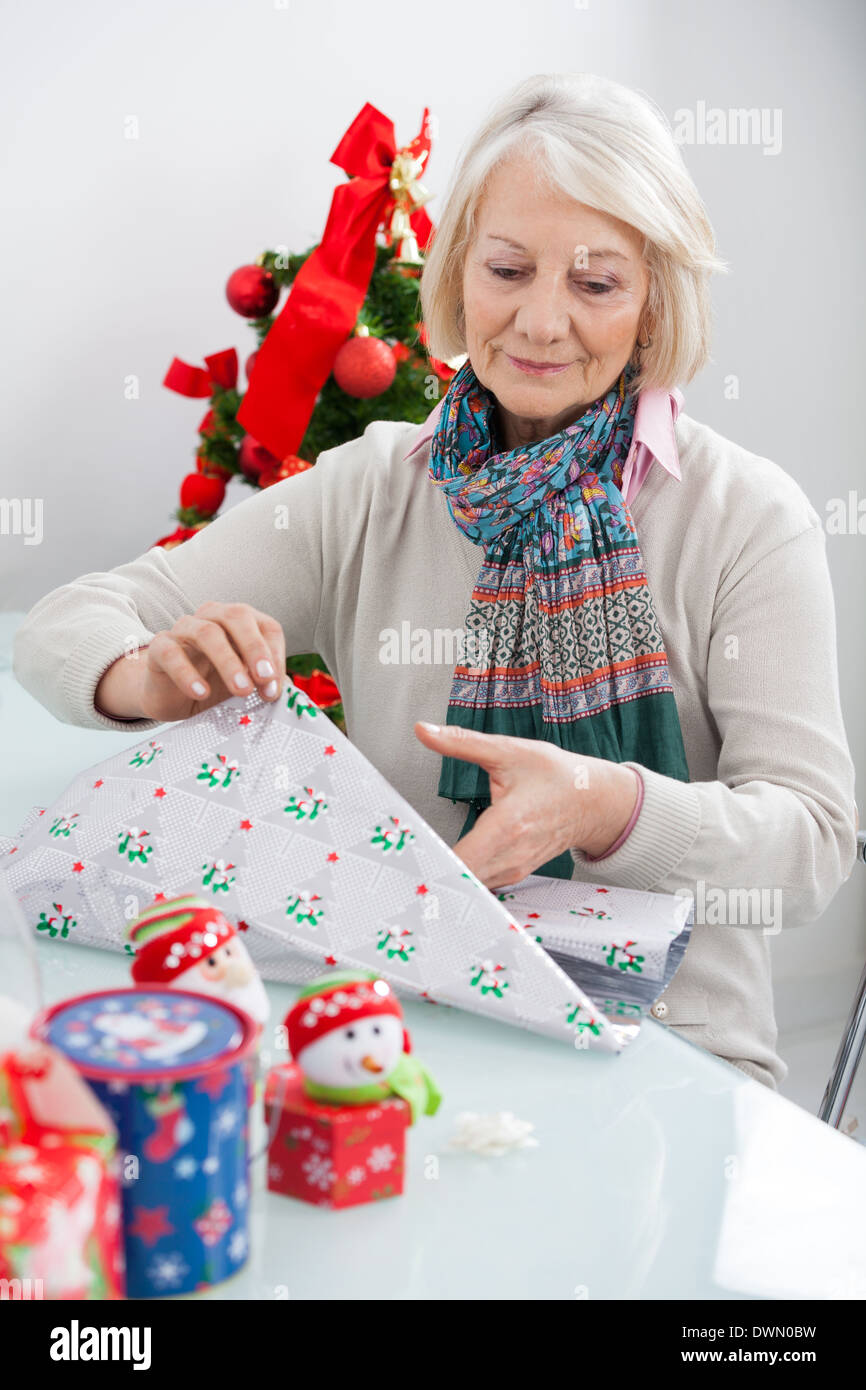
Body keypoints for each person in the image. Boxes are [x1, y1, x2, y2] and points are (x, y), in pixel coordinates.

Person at [13, 72, 857, 1090]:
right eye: (507, 269)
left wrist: (605, 807)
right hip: (407, 1038)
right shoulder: (373, 488)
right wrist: (147, 673)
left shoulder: (746, 517)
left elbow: (812, 848)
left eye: (595, 284)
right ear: (459, 272)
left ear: (652, 304)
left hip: (675, 1058)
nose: (540, 322)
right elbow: (61, 626)